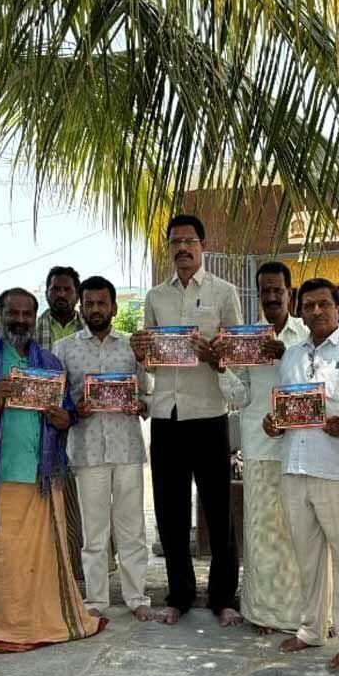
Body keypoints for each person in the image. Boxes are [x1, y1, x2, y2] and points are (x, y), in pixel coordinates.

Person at [0, 288, 104, 651]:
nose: (20, 320)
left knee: (36, 561)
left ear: (34, 317)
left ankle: (35, 624)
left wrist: (62, 417)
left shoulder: (49, 363)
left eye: (26, 313)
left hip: (40, 476)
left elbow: (65, 414)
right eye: (13, 312)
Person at [129, 214, 246, 626]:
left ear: (202, 245)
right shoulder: (155, 297)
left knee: (218, 511)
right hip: (165, 416)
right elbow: (148, 358)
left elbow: (236, 352)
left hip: (209, 414)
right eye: (175, 242)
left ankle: (222, 598)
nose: (182, 248)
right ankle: (179, 593)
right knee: (170, 510)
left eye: (189, 241)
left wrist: (216, 355)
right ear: (170, 248)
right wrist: (140, 349)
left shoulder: (224, 292)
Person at [262, 278, 339, 670]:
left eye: (324, 304)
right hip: (295, 464)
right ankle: (312, 629)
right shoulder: (291, 355)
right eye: (308, 305)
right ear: (300, 309)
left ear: (338, 309)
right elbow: (284, 409)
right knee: (307, 557)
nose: (316, 312)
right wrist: (273, 423)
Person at [52, 275, 153, 621]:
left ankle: (137, 597)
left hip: (126, 447)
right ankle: (96, 601)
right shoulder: (64, 349)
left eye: (102, 303)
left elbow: (147, 394)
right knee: (94, 533)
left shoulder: (131, 347)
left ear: (114, 307)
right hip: (87, 451)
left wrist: (140, 405)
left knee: (132, 528)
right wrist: (73, 410)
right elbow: (57, 402)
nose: (96, 309)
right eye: (90, 303)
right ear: (82, 306)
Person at [225, 261, 307, 634]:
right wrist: (220, 367)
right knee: (261, 534)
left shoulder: (305, 335)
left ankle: (300, 614)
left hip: (300, 450)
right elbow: (241, 394)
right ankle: (261, 613)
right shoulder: (248, 339)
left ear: (290, 292)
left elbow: (314, 388)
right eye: (265, 291)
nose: (272, 297)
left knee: (296, 533)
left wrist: (284, 354)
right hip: (258, 449)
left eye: (278, 290)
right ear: (258, 296)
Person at [34, 265, 88, 579]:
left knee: (79, 499)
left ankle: (78, 571)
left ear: (77, 295)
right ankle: (47, 569)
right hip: (42, 426)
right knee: (45, 498)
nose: (61, 295)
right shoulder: (31, 329)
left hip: (83, 425)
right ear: (47, 293)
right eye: (56, 289)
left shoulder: (90, 330)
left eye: (67, 289)